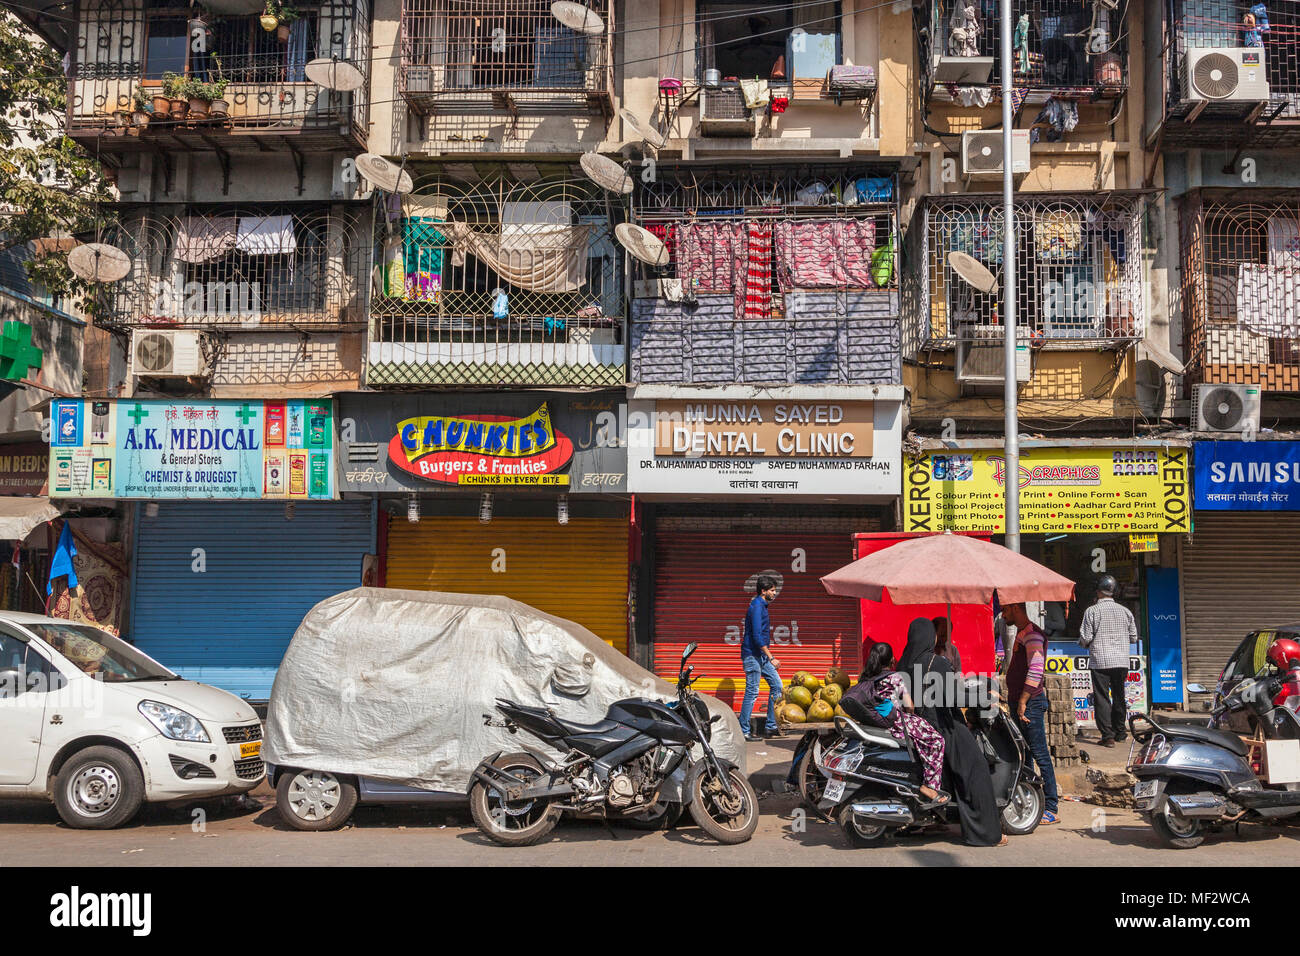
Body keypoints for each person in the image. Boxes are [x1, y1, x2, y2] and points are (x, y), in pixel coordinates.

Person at [897, 618, 1006, 846]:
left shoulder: (903, 663)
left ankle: (936, 819)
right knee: (975, 771)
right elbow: (953, 697)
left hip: (915, 727)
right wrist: (986, 698)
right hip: (943, 725)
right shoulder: (936, 662)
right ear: (930, 636)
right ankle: (984, 833)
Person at [860, 642, 948, 806]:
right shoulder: (894, 677)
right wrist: (912, 714)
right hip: (896, 721)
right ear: (892, 659)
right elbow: (909, 706)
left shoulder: (865, 678)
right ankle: (929, 787)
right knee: (936, 741)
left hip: (878, 720)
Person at [1003, 602, 1059, 825]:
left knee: (1039, 753)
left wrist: (1023, 701)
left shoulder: (1033, 635)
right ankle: (1032, 798)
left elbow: (1036, 670)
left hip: (1031, 703)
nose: (1003, 614)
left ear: (1016, 608)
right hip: (1022, 702)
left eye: (1006, 610)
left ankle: (1052, 806)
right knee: (1025, 754)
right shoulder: (1022, 633)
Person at [1078, 574, 1137, 748]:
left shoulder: (1092, 611)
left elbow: (1086, 638)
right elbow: (1133, 638)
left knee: (1102, 698)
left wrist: (1083, 643)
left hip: (1100, 661)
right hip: (1121, 661)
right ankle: (1120, 732)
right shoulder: (1125, 611)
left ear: (1098, 592)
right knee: (1119, 696)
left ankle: (1108, 736)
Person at [739, 574, 783, 742]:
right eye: (772, 590)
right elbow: (757, 637)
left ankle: (771, 726)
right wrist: (771, 657)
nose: (775, 593)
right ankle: (744, 730)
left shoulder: (762, 606)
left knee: (777, 686)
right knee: (752, 692)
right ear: (764, 591)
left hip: (760, 657)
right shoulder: (757, 607)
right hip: (752, 655)